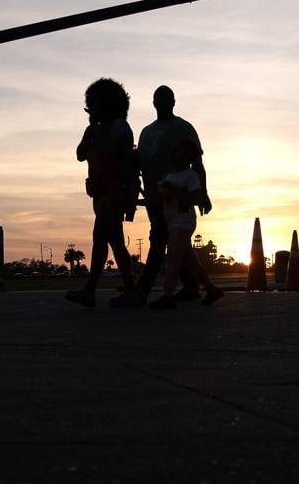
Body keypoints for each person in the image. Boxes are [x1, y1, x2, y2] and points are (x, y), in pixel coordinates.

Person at [130, 85, 211, 304]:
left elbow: (198, 163)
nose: (163, 102)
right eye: (159, 99)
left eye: (167, 99)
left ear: (174, 102)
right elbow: (139, 165)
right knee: (177, 246)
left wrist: (203, 193)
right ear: (153, 103)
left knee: (159, 239)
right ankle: (193, 285)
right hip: (155, 195)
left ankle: (143, 289)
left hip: (177, 199)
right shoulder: (146, 132)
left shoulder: (184, 128)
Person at [65, 78, 141, 308]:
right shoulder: (95, 131)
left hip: (114, 193)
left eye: (95, 105)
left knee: (101, 238)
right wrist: (91, 130)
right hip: (99, 194)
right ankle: (131, 290)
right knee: (115, 242)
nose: (92, 110)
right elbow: (80, 154)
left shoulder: (120, 128)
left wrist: (125, 196)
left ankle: (91, 290)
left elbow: (126, 164)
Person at [149, 141, 224, 310]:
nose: (175, 154)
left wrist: (173, 190)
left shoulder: (190, 176)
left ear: (189, 156)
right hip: (172, 223)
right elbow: (159, 199)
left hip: (183, 222)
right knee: (190, 262)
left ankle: (168, 295)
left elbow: (195, 198)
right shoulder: (169, 175)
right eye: (174, 151)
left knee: (173, 257)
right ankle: (211, 289)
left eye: (179, 151)